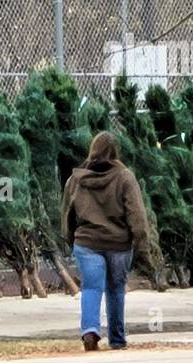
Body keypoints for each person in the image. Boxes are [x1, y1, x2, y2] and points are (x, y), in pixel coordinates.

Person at [61, 131, 151, 350]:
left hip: (87, 243)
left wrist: (71, 237)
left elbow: (67, 212)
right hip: (119, 244)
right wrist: (142, 246)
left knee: (91, 288)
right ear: (115, 152)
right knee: (116, 290)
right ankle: (117, 338)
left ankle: (90, 330)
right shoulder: (125, 177)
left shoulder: (76, 179)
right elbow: (136, 214)